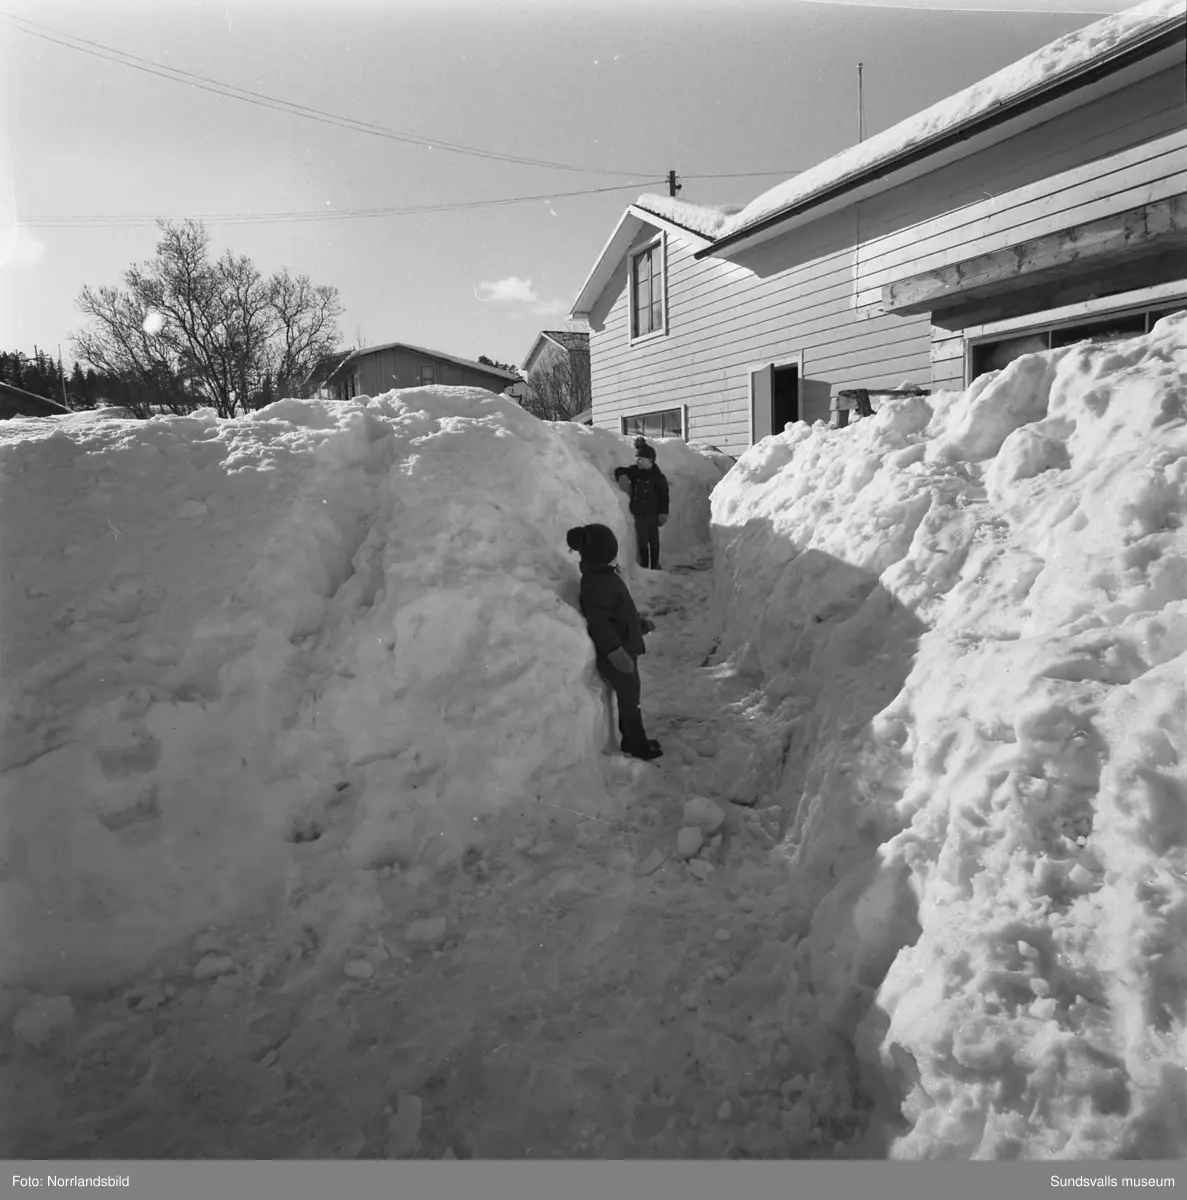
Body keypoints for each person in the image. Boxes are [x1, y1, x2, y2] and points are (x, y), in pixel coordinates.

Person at [565, 523, 662, 762]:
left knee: (632, 697)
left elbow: (619, 611)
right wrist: (614, 651)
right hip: (618, 654)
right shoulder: (597, 585)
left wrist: (638, 624)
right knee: (629, 699)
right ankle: (635, 743)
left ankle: (633, 738)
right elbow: (600, 624)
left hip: (624, 647)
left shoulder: (605, 576)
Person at [613, 437, 670, 570]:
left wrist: (663, 513)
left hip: (653, 514)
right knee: (642, 540)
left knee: (654, 540)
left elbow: (664, 497)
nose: (637, 461)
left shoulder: (658, 477)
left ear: (650, 461)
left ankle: (655, 564)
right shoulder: (634, 471)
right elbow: (619, 470)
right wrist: (622, 478)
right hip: (639, 512)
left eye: (640, 459)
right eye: (637, 459)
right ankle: (644, 565)